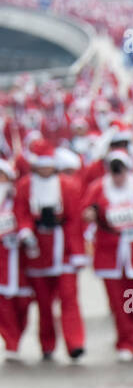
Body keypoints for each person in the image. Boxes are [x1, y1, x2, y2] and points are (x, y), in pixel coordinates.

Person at [81, 148, 133, 361]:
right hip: (111, 252)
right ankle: (126, 340)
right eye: (113, 169)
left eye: (121, 169)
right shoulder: (98, 188)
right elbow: (86, 211)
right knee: (119, 301)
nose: (117, 174)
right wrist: (90, 214)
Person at [14, 137, 86, 362]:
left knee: (69, 298)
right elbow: (21, 213)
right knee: (44, 304)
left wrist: (77, 252)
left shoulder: (67, 185)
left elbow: (75, 220)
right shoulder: (25, 186)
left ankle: (75, 342)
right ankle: (47, 344)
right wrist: (25, 231)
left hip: (62, 247)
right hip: (37, 251)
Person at [0, 159, 32, 363]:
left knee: (22, 302)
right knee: (2, 305)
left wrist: (25, 233)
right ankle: (10, 341)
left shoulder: (19, 199)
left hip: (20, 259)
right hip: (0, 261)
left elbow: (26, 218)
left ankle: (17, 335)